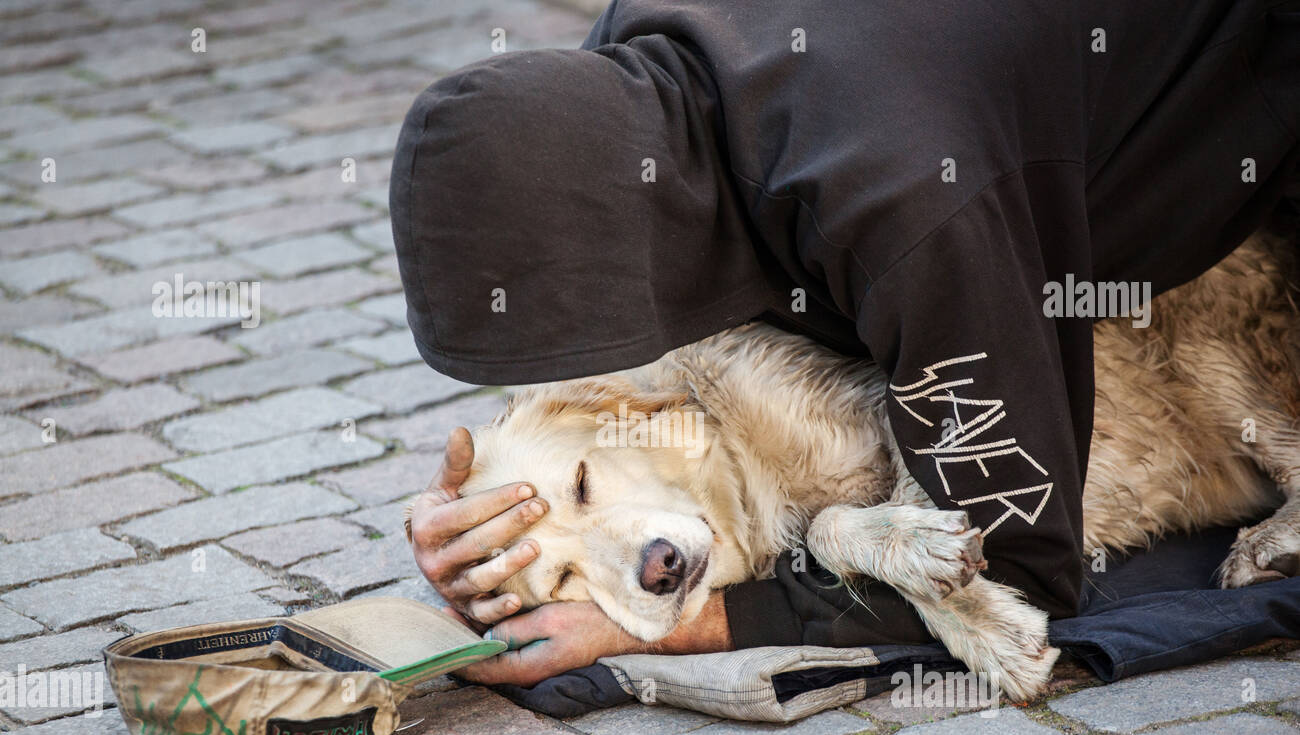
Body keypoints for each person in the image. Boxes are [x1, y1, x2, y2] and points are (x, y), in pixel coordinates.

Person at [392, 1, 1299, 687]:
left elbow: (1014, 555)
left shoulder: (903, 201)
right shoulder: (632, 76)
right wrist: (489, 549)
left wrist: (672, 625)